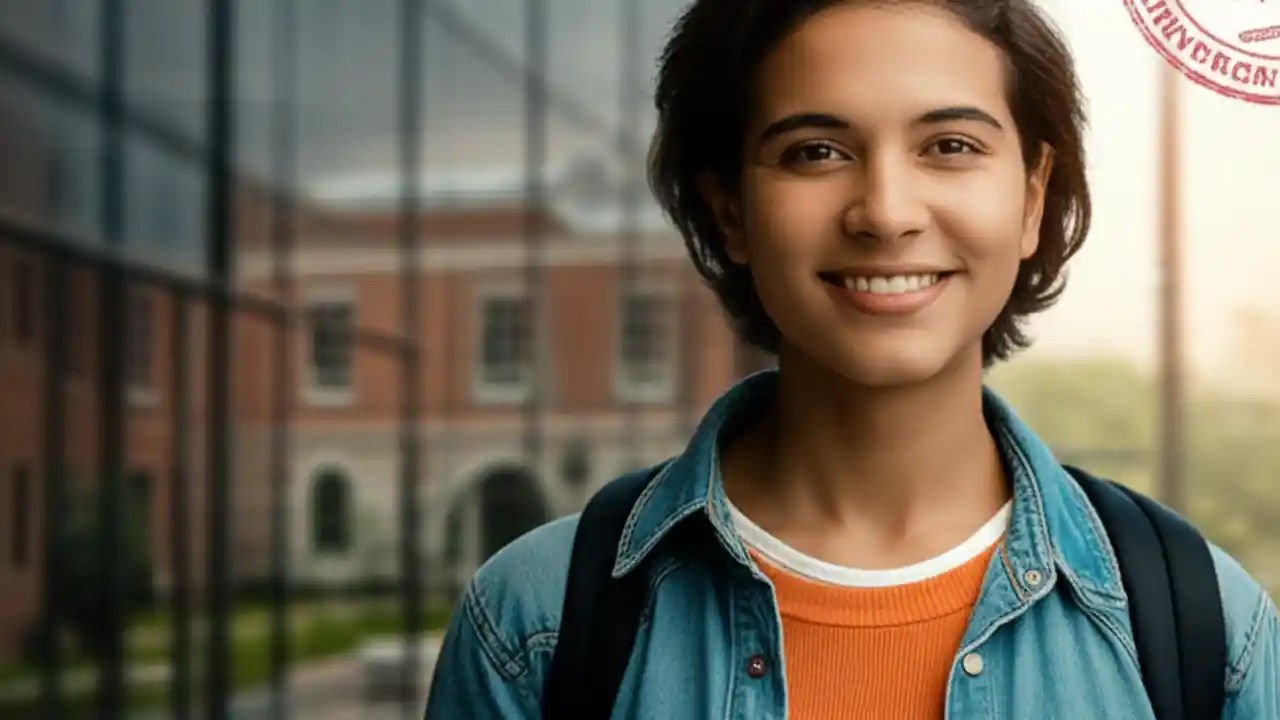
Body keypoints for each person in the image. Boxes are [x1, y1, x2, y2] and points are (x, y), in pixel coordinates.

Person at [424, 1, 1279, 717]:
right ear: (729, 210)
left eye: (949, 145)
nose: (885, 212)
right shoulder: (534, 621)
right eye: (815, 152)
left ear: (1031, 197)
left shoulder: (1206, 624)